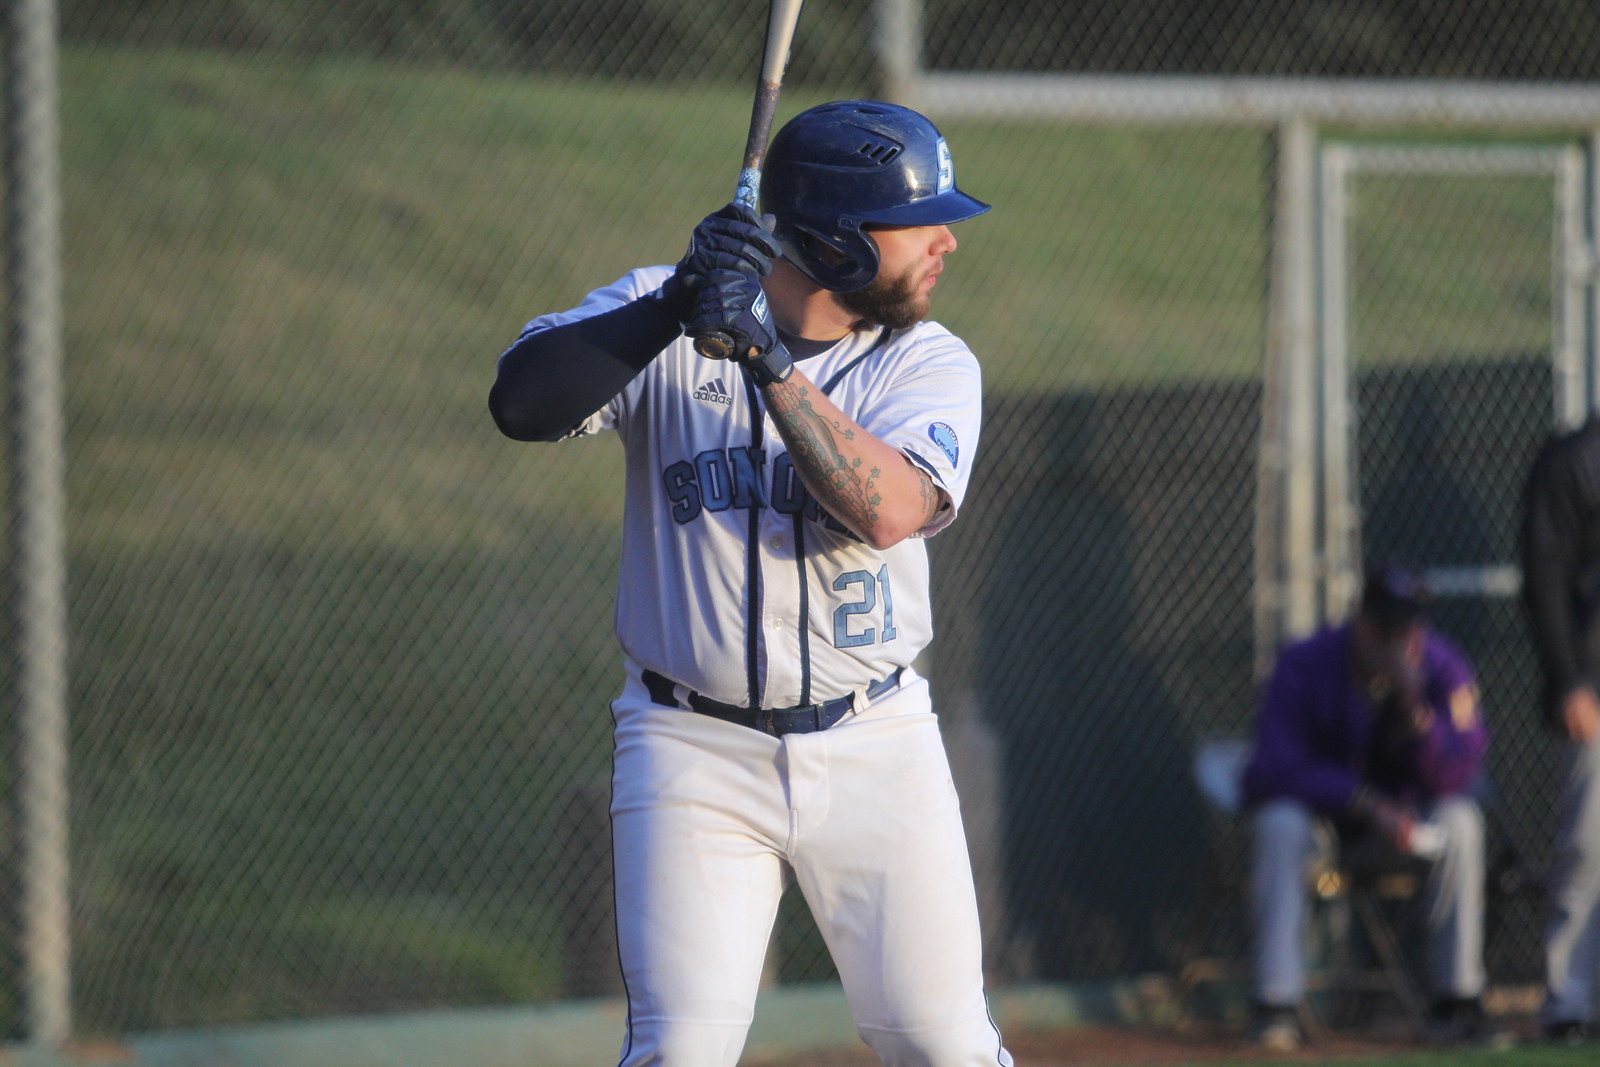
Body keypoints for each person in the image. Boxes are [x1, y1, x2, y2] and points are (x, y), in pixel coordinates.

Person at [488, 100, 1012, 1066]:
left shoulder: (928, 362)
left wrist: (765, 358)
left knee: (947, 1050)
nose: (947, 239)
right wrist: (671, 306)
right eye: (919, 221)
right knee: (678, 1055)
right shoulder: (667, 308)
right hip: (691, 751)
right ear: (841, 245)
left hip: (875, 743)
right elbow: (521, 404)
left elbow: (888, 509)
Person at [1238, 567, 1504, 1051]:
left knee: (1462, 823)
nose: (1397, 643)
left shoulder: (1443, 668)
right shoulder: (1306, 662)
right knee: (1278, 824)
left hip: (1403, 825)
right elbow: (1268, 769)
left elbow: (1460, 773)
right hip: (1327, 821)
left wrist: (1414, 710)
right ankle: (1275, 1006)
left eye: (1408, 630)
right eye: (1386, 629)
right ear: (1360, 622)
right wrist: (1361, 801)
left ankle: (1457, 1001)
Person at [1521, 415, 1600, 1045]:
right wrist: (1569, 680)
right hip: (1596, 683)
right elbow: (1545, 574)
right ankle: (1569, 1000)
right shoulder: (1575, 459)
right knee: (1589, 846)